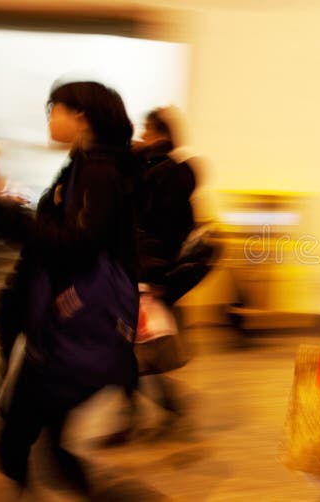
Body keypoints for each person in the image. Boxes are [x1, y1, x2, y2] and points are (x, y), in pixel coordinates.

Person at [0, 80, 140, 492]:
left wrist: (4, 212)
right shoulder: (89, 166)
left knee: (18, 434)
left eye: (52, 110)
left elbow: (77, 247)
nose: (48, 120)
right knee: (47, 439)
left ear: (79, 116)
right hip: (68, 321)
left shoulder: (97, 171)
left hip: (69, 322)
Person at [107, 106, 202, 443]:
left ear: (159, 132)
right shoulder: (172, 172)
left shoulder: (157, 173)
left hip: (146, 275)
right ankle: (156, 411)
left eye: (147, 130)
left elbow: (146, 227)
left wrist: (152, 275)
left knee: (136, 352)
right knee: (136, 351)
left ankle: (162, 410)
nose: (143, 137)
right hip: (152, 274)